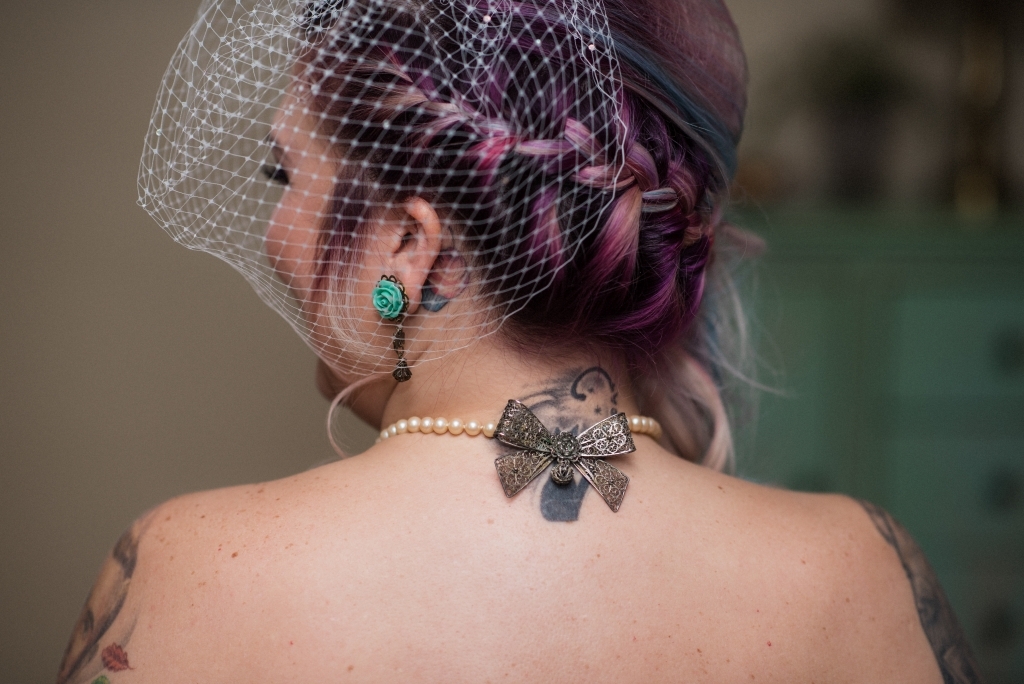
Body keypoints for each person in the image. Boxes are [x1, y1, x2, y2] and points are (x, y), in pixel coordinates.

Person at [59, 0, 982, 682]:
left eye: (284, 173)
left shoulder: (182, 572)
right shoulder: (862, 573)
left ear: (411, 247)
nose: (274, 231)